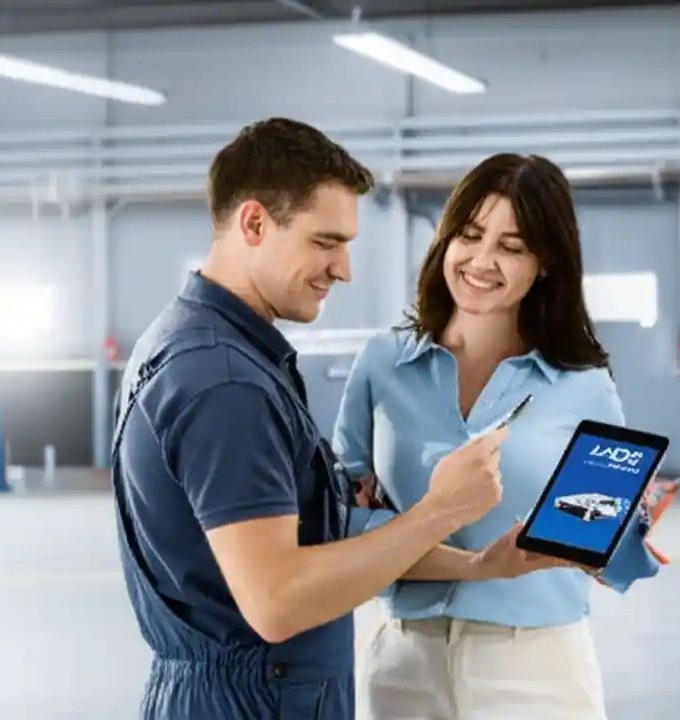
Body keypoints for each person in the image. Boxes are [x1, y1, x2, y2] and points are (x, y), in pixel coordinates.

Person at [111, 119, 549, 720]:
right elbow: (277, 600)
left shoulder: (202, 343)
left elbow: (320, 537)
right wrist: (441, 510)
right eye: (325, 242)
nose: (343, 268)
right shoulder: (225, 382)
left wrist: (475, 564)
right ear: (255, 223)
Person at [333, 153, 663, 720]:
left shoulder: (585, 387)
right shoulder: (382, 363)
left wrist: (627, 531)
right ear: (446, 241)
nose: (482, 261)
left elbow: (618, 560)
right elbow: (339, 519)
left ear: (546, 264)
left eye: (511, 247)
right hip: (404, 662)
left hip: (536, 667)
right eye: (471, 234)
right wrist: (378, 527)